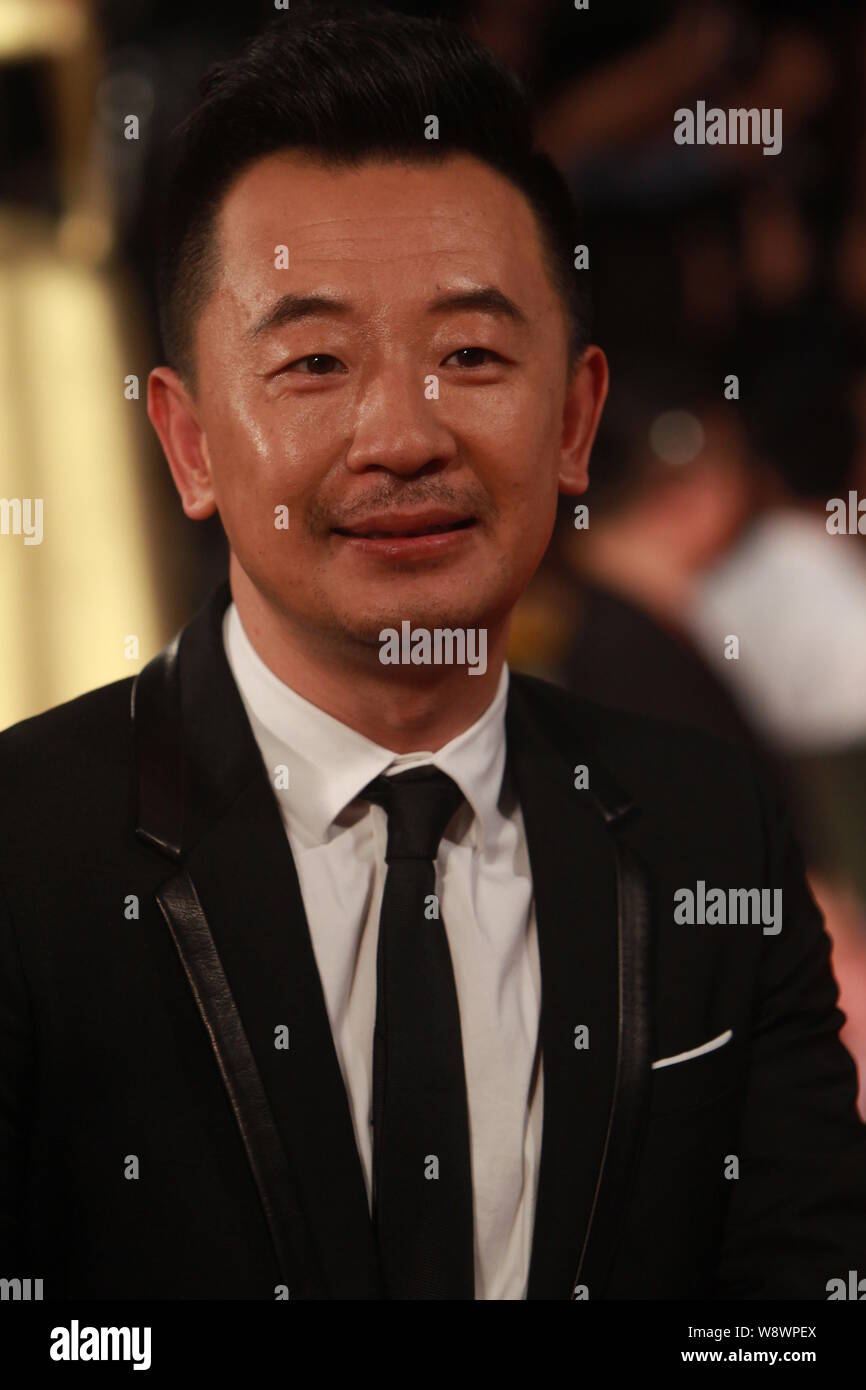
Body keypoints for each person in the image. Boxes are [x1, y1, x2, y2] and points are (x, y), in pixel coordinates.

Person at [1, 6, 864, 1302]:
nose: (400, 434)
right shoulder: (28, 847)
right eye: (314, 361)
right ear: (186, 444)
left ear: (574, 420)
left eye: (468, 353)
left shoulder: (704, 831)